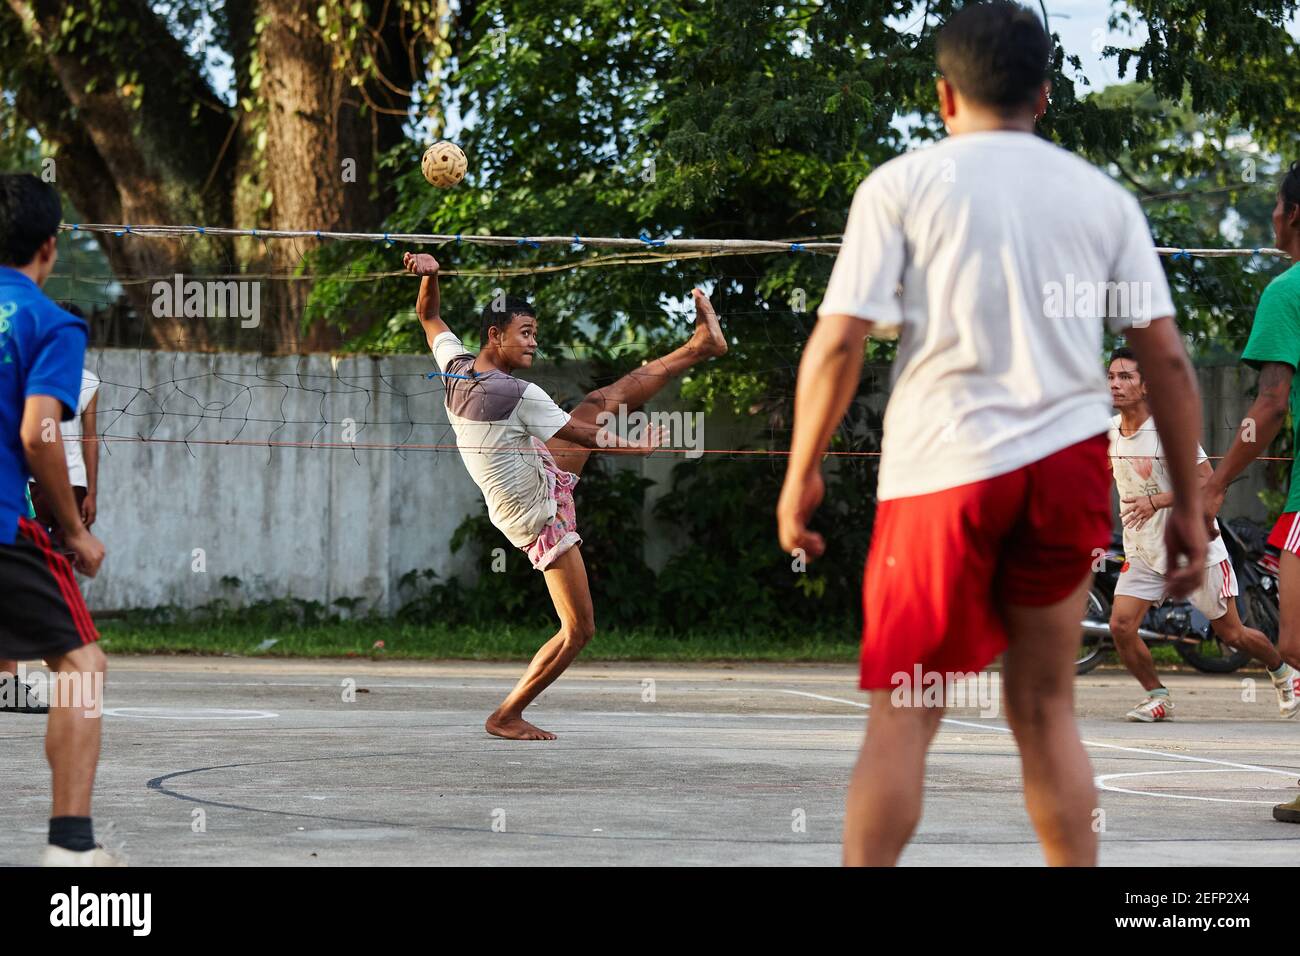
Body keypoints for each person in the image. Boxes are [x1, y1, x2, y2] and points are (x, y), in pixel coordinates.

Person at [776, 2, 1206, 866]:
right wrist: (1191, 505)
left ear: (944, 95)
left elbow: (838, 343)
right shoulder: (1103, 199)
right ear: (1044, 95)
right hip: (1064, 468)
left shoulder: (900, 187)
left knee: (907, 707)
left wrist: (802, 471)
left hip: (943, 467)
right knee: (1047, 711)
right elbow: (1166, 358)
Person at [406, 251, 727, 740]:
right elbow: (586, 437)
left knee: (600, 401)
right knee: (579, 631)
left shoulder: (455, 365)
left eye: (535, 332)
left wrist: (431, 276)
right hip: (538, 516)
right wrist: (636, 448)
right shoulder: (517, 392)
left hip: (538, 470)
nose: (535, 342)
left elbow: (429, 316)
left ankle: (700, 345)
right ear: (496, 336)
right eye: (526, 333)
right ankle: (506, 715)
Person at [0, 173, 116, 865]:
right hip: (5, 523)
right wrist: (72, 529)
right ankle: (71, 849)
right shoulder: (49, 320)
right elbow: (40, 433)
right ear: (49, 246)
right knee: (80, 666)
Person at [1106, 347, 1297, 721]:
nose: (1115, 384)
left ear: (1147, 386)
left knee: (1233, 635)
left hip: (1193, 549)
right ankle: (1157, 696)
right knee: (1121, 625)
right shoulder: (1110, 432)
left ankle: (1283, 672)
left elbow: (1207, 484)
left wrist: (1156, 501)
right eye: (1112, 376)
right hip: (1145, 550)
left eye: (1125, 377)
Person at [1202, 160, 1300, 823]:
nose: (1269, 215)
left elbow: (1268, 403)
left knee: (1292, 642)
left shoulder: (1288, 291)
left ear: (1293, 213)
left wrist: (1215, 479)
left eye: (1273, 204)